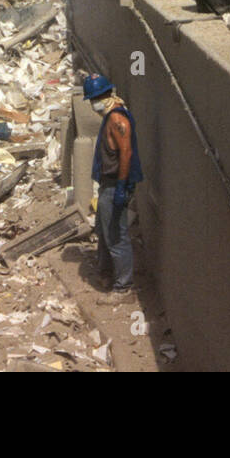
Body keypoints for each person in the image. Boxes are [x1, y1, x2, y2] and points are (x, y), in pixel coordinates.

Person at [85, 73, 141, 297]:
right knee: (103, 230)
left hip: (114, 185)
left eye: (93, 99)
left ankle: (123, 287)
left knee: (116, 237)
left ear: (103, 96)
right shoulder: (112, 115)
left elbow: (126, 154)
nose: (92, 105)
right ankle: (106, 273)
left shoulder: (117, 120)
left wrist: (120, 187)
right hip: (107, 185)